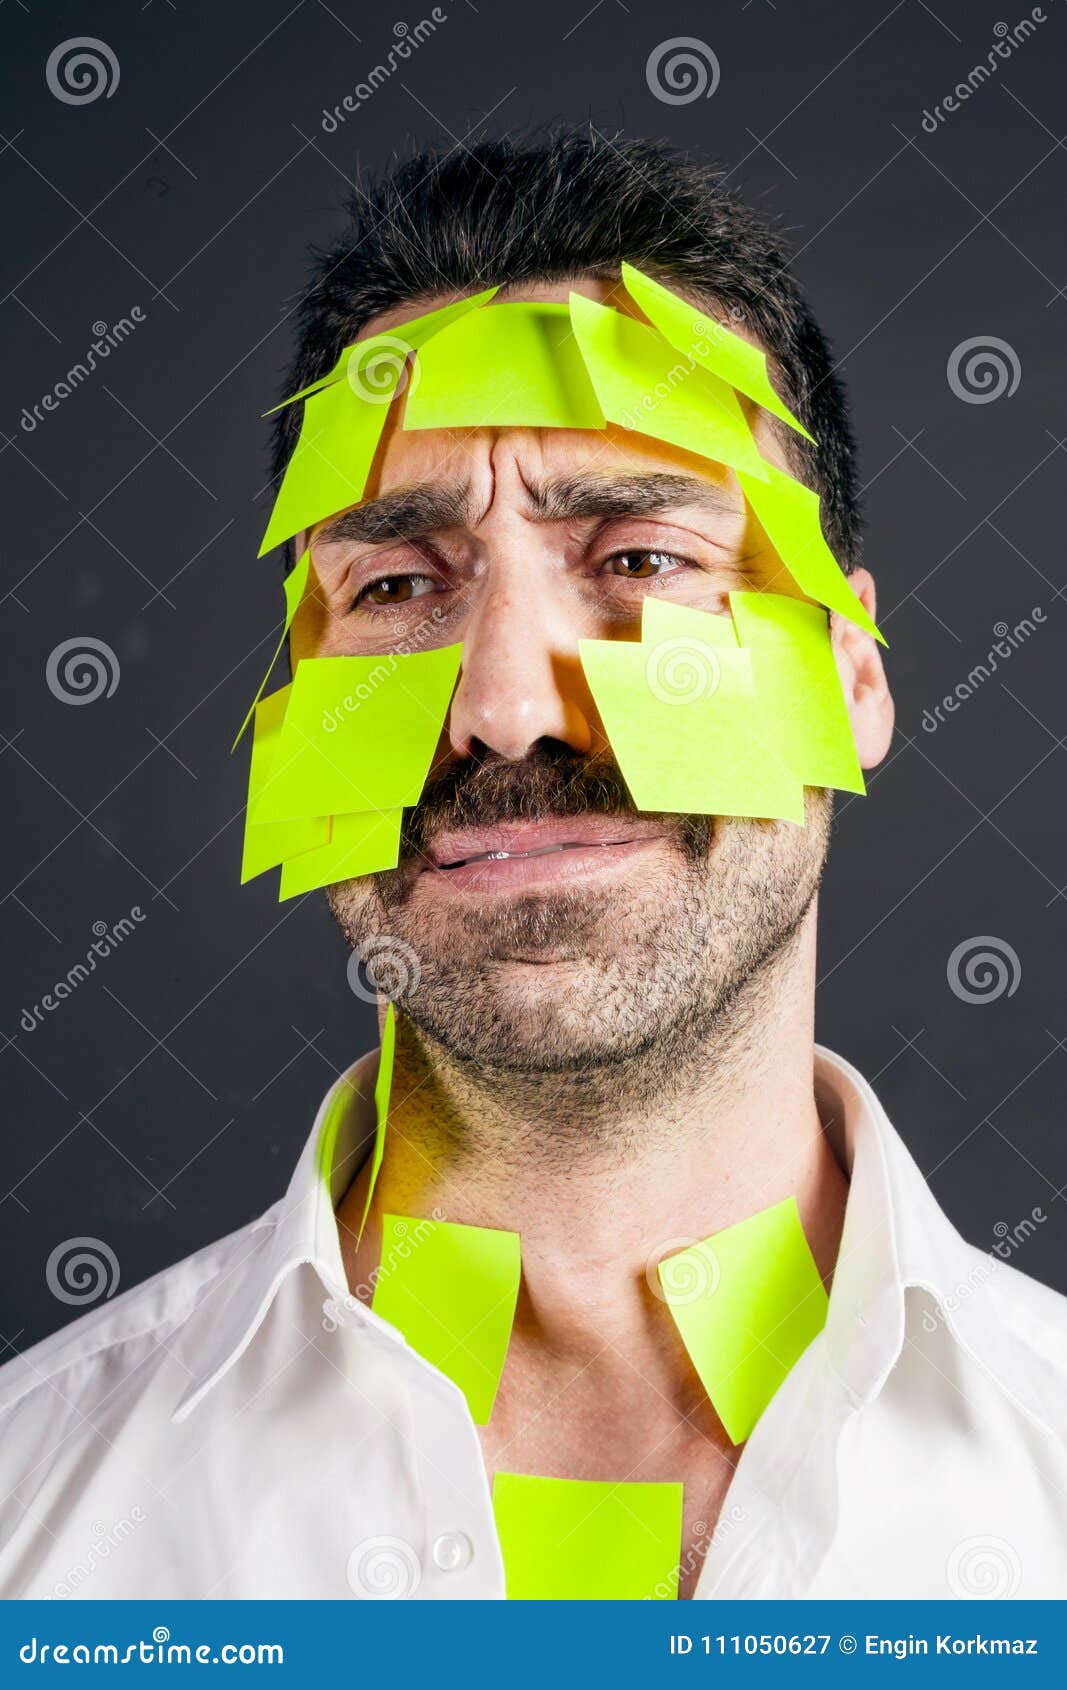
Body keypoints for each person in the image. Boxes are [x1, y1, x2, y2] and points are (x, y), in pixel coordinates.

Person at [1, 130, 1064, 1603]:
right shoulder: (31, 1514)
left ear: (853, 675)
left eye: (637, 559)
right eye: (395, 585)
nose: (501, 704)